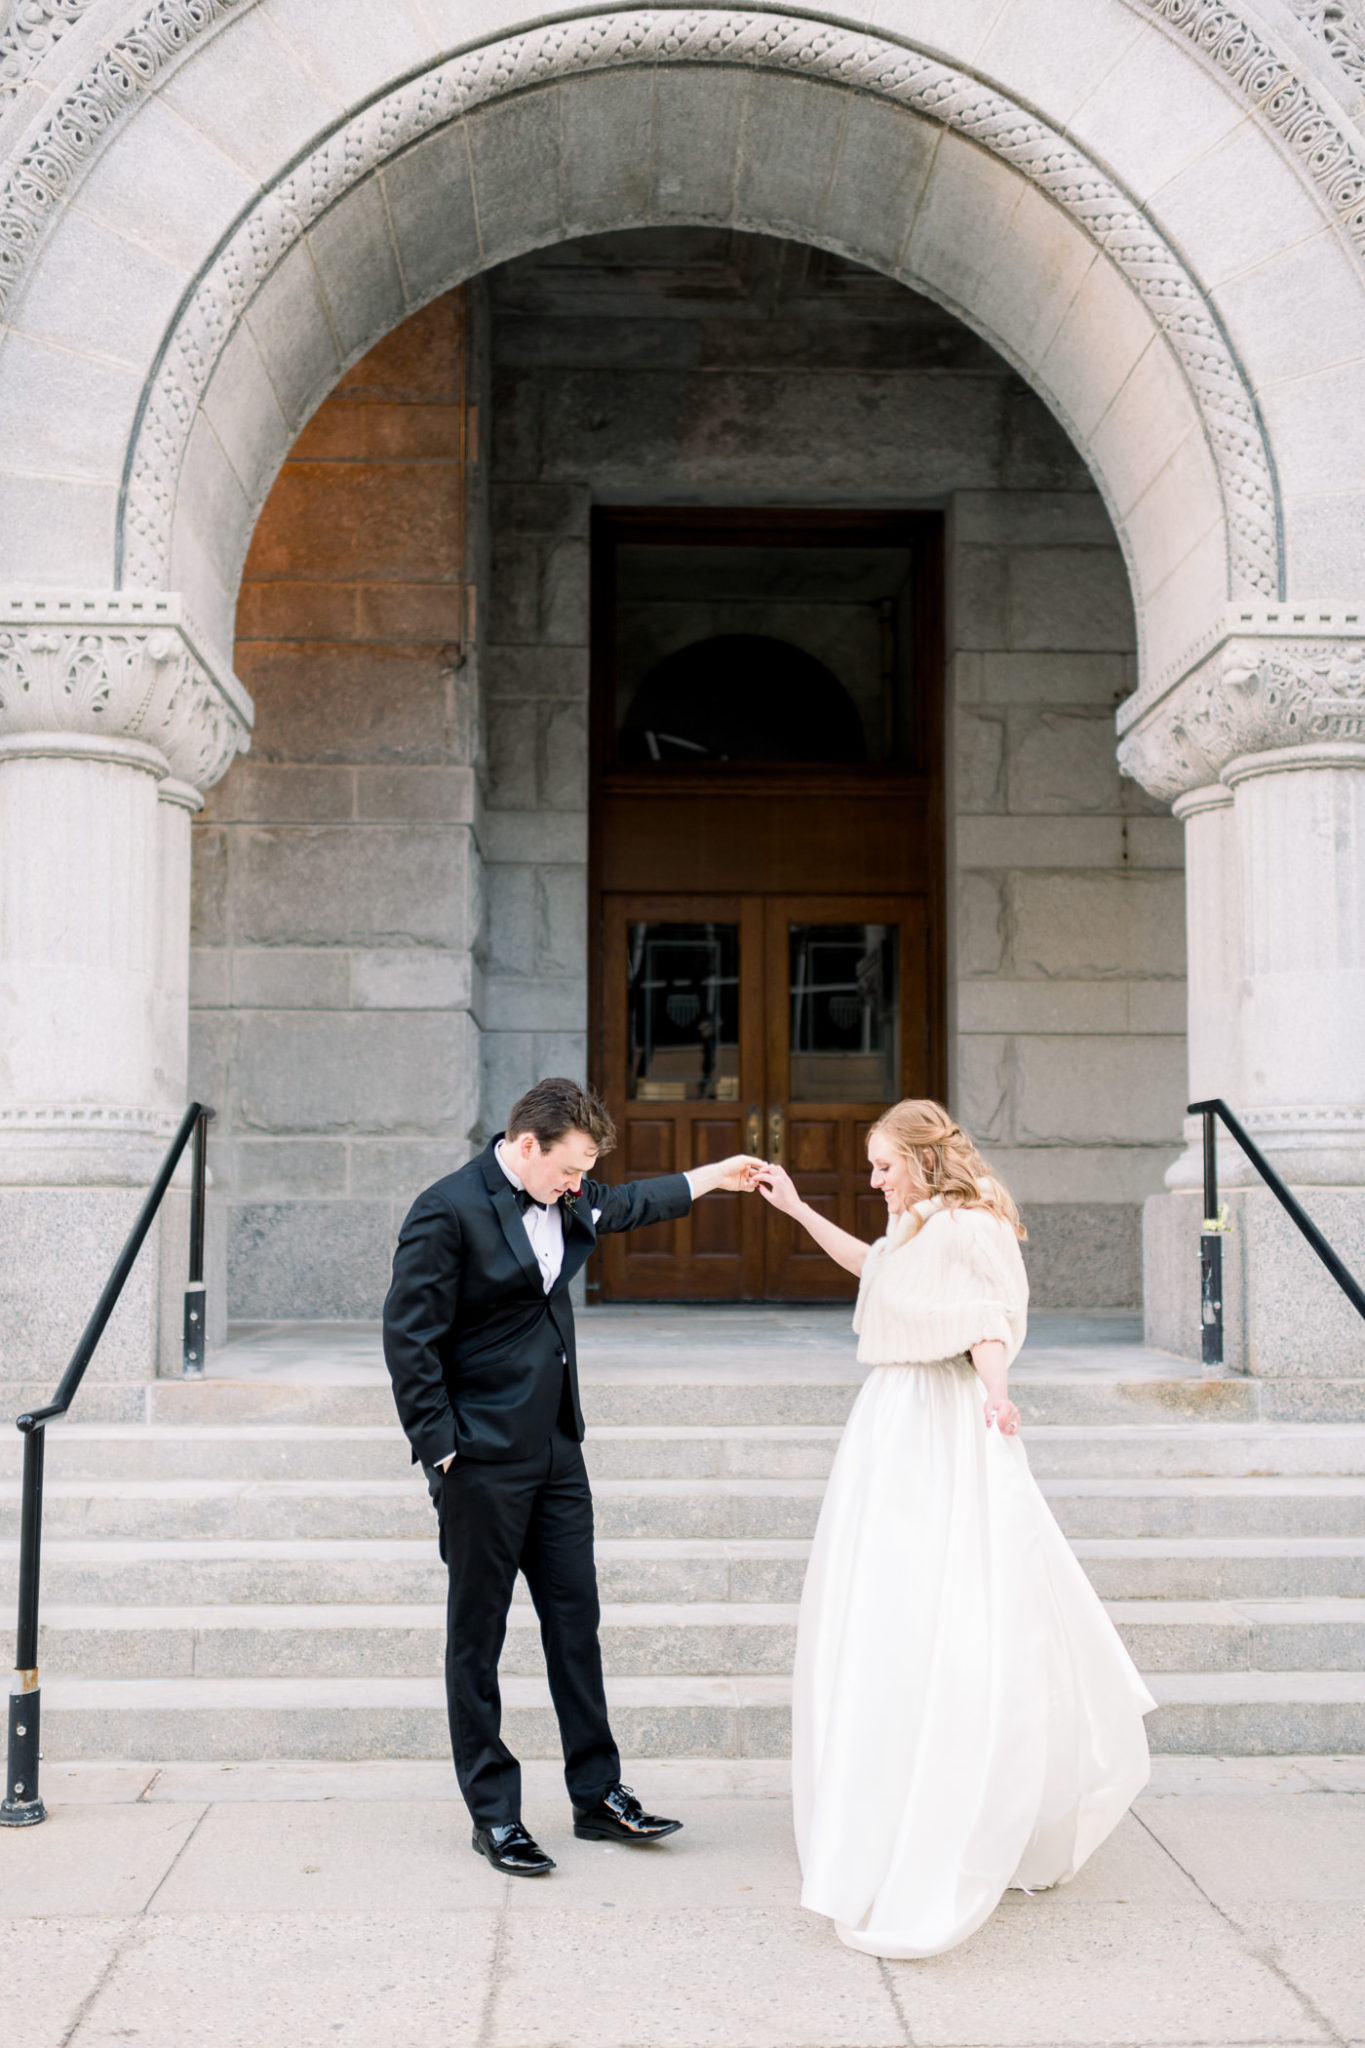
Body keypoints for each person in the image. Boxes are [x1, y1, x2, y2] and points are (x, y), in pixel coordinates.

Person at [756, 1099, 1155, 1958]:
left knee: (952, 1600)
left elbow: (987, 1320)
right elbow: (874, 1271)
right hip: (890, 1416)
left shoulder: (973, 1226)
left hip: (940, 1417)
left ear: (923, 1160)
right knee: (884, 1605)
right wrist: (794, 1210)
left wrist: (998, 1397)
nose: (875, 1181)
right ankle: (889, 1797)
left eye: (884, 1166)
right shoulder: (912, 1228)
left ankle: (961, 1805)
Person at [382, 1076, 764, 1877]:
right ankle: (495, 1815)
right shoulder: (445, 1210)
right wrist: (441, 1448)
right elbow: (408, 1336)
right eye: (569, 1168)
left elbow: (628, 1204)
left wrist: (715, 1176)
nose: (578, 1184)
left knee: (574, 1625)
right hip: (480, 1459)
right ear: (527, 1145)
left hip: (558, 1451)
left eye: (585, 1171)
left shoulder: (567, 1194)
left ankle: (597, 1797)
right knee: (477, 1640)